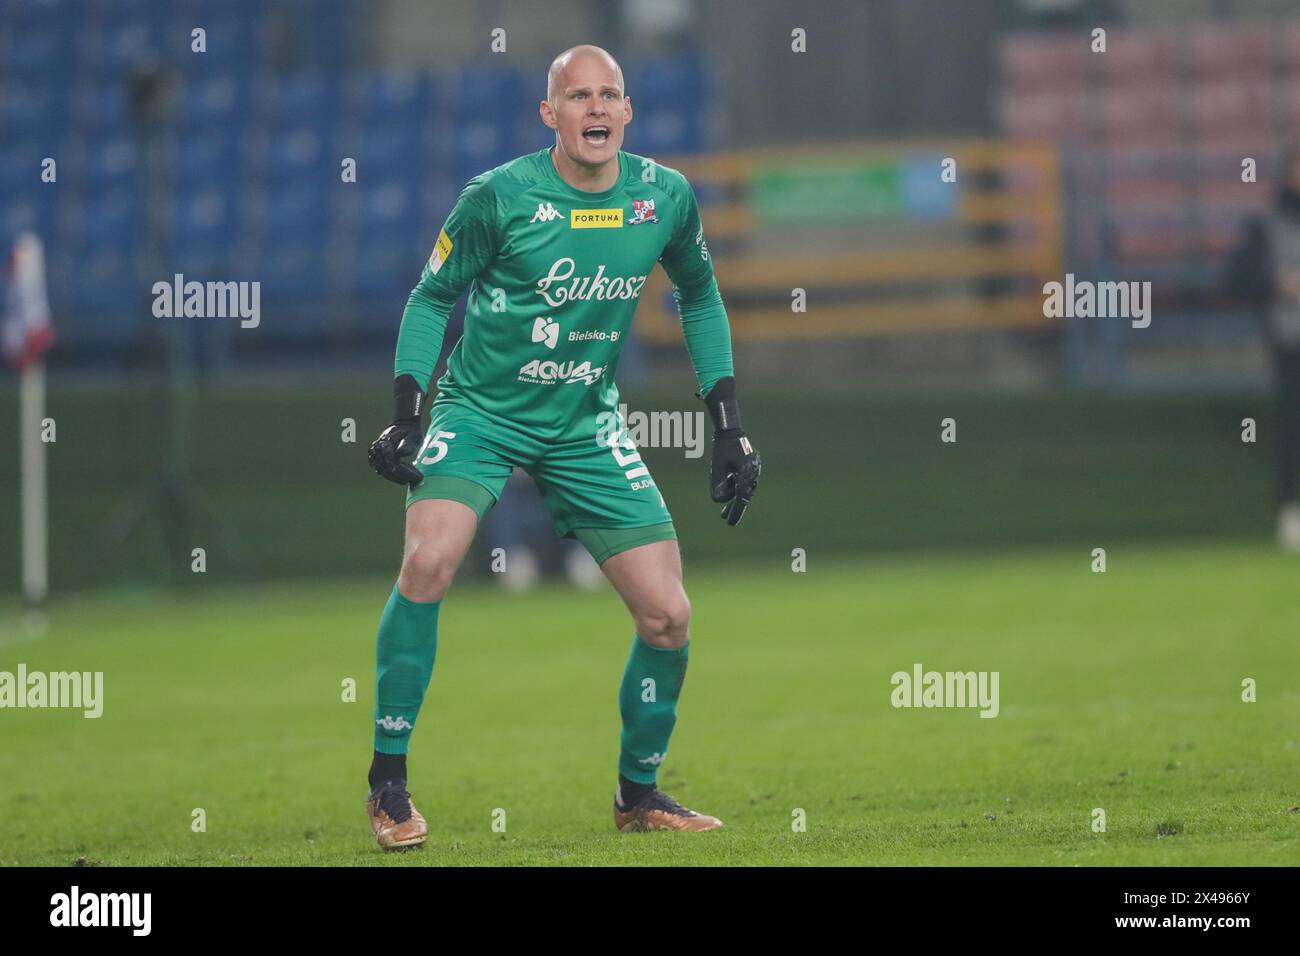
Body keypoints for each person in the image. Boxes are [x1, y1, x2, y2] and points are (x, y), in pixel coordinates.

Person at [362, 45, 761, 848]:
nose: (596, 109)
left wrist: (728, 425)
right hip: (479, 411)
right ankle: (388, 781)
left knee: (668, 616)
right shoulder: (499, 197)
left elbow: (699, 293)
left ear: (628, 111)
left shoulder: (664, 198)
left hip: (585, 420)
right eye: (578, 96)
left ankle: (638, 793)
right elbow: (433, 293)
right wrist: (408, 408)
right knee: (429, 561)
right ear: (551, 115)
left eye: (609, 94)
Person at [1226, 145, 1300, 550]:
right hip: (1290, 340)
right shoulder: (1268, 225)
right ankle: (1289, 511)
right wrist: (1277, 283)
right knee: (1291, 428)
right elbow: (1237, 276)